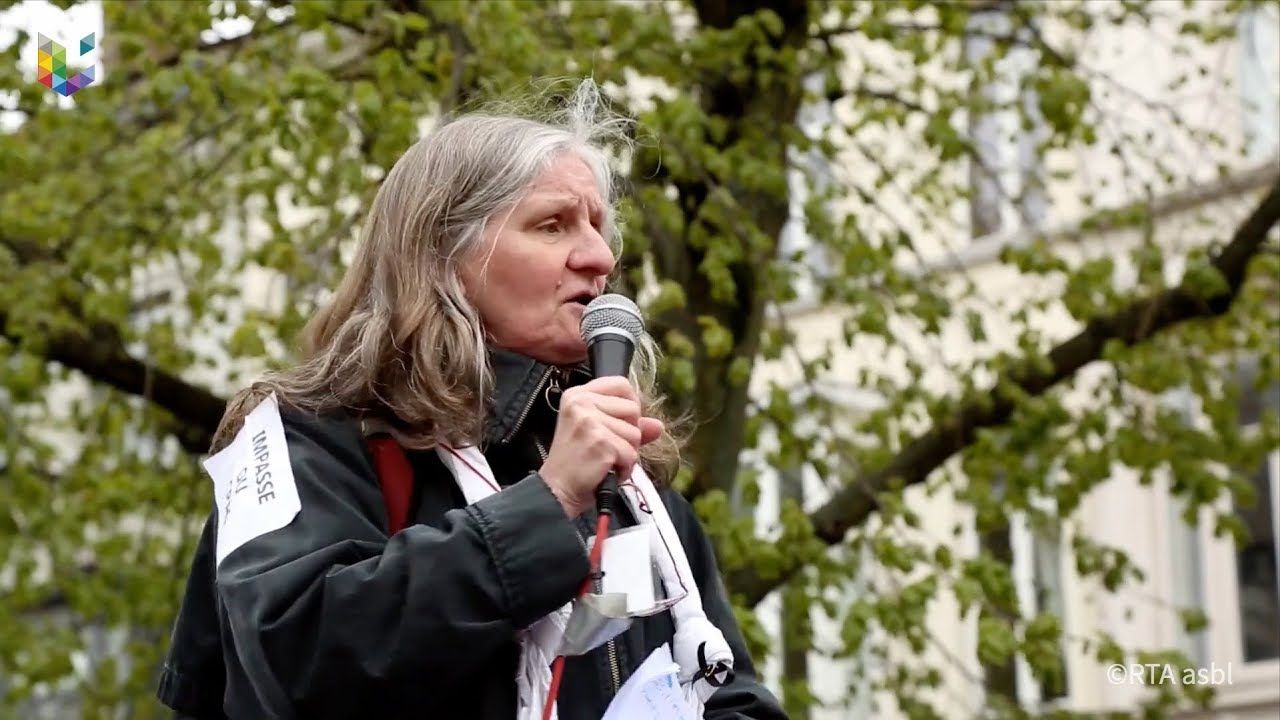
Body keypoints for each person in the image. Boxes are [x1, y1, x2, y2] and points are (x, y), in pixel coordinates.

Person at [156, 80, 788, 720]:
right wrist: (548, 505)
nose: (600, 257)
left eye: (599, 227)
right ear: (442, 253)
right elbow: (294, 663)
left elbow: (722, 689)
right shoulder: (307, 439)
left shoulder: (633, 489)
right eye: (553, 224)